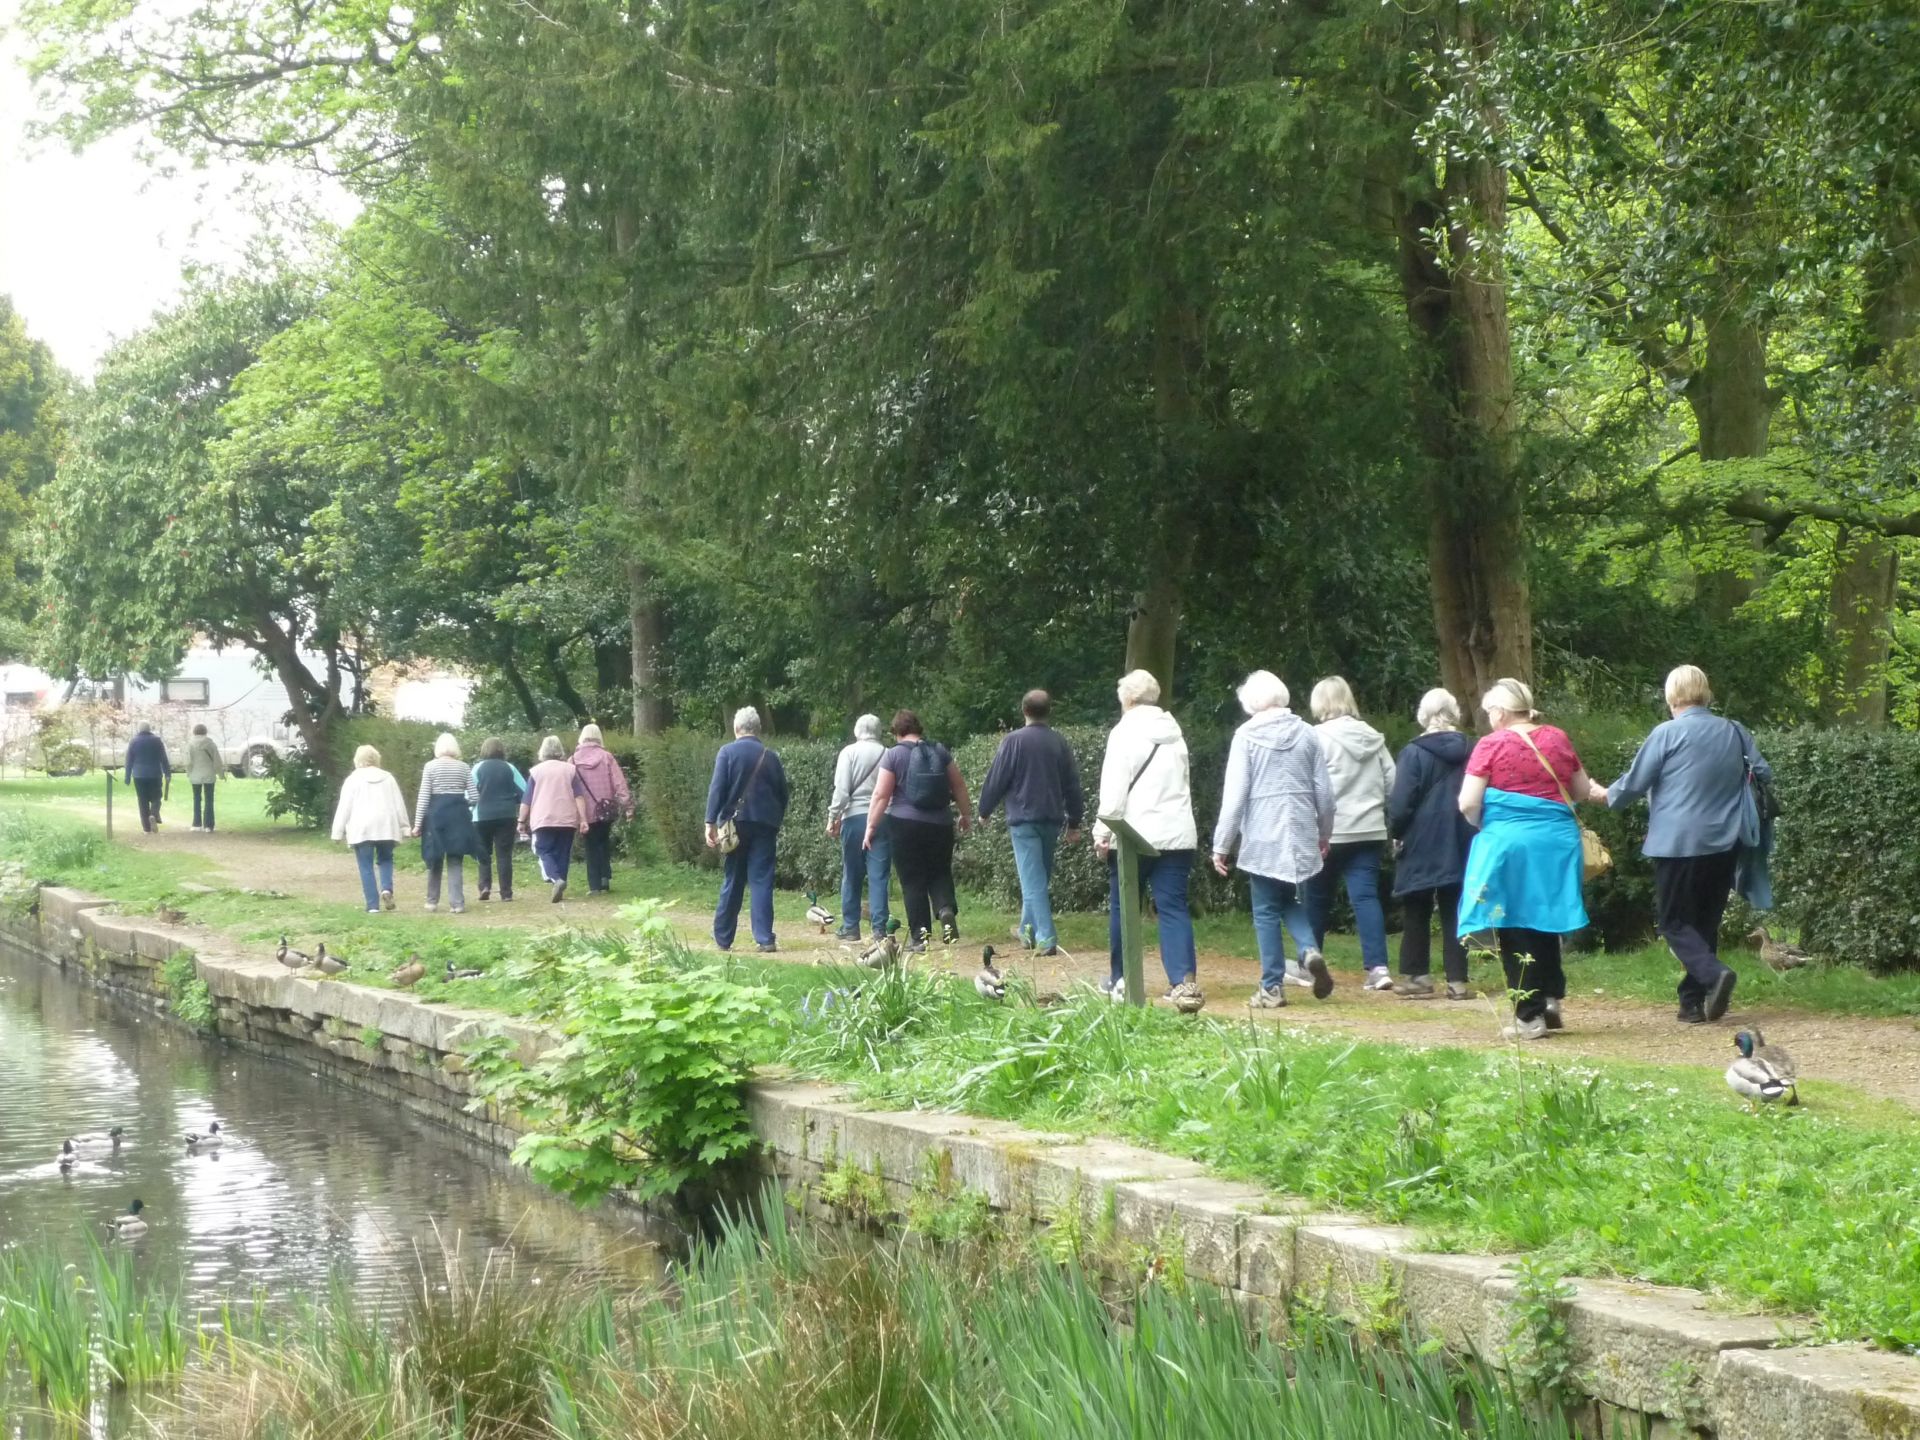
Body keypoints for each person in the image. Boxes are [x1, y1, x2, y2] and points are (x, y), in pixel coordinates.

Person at [1603, 664, 1770, 1025]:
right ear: (1706, 693)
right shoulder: (1735, 732)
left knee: (1673, 922)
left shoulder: (1667, 734)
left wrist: (1604, 795)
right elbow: (1763, 773)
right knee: (1704, 921)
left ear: (1671, 696)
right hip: (1726, 842)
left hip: (1678, 843)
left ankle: (1714, 976)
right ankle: (1692, 1003)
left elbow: (1634, 783)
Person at [1456, 679, 1607, 1040]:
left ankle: (1529, 1016)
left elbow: (1467, 802)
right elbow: (1582, 790)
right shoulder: (1557, 738)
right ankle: (1551, 998)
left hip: (1509, 844)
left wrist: (1487, 826)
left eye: (1491, 711)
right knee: (1546, 918)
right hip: (1556, 842)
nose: (1490, 718)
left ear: (1503, 711)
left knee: (1513, 923)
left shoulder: (1490, 745)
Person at [1211, 671, 1334, 1009]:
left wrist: (1222, 845)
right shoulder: (1308, 734)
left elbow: (1235, 797)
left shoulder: (1245, 737)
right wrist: (1324, 832)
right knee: (1289, 901)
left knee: (1266, 909)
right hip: (1299, 831)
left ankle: (1271, 987)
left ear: (1250, 702)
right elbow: (1324, 792)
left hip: (1264, 836)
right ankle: (1308, 950)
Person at [1092, 670, 1200, 1008]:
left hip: (1134, 835)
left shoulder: (1123, 733)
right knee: (1172, 908)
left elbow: (1114, 789)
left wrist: (1102, 833)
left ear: (1126, 699)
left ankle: (1120, 978)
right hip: (1177, 833)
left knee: (1124, 907)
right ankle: (1183, 981)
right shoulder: (1175, 734)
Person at [1304, 677, 1397, 991]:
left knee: (1316, 898)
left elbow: (1308, 786)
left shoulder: (1315, 737)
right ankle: (1378, 968)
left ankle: (1310, 961)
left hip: (1328, 833)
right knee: (1367, 898)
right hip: (1369, 830)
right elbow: (1392, 782)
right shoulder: (1373, 737)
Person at [977, 689, 1085, 956]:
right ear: (1049, 711)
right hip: (1052, 818)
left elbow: (997, 778)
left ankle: (1046, 939)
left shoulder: (1013, 741)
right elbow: (1072, 785)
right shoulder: (1059, 742)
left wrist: (984, 810)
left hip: (1023, 820)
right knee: (1037, 879)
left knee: (1033, 881)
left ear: (1024, 710)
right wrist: (1075, 821)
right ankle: (1027, 932)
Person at [1388, 689, 1476, 1000]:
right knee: (1455, 906)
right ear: (1455, 714)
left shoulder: (1413, 752)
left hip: (1422, 837)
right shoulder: (1472, 748)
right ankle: (1458, 981)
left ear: (1423, 715)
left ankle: (1418, 977)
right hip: (1462, 836)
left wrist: (1396, 831)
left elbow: (1400, 804)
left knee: (1416, 904)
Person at [865, 709, 972, 951]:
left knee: (912, 880)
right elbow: (959, 786)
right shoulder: (940, 751)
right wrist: (966, 815)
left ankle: (920, 938)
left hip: (905, 824)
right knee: (940, 872)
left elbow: (882, 795)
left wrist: (870, 826)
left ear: (897, 732)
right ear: (918, 728)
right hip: (941, 823)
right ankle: (945, 909)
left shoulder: (893, 756)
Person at [706, 708, 789, 951]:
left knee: (733, 878)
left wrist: (710, 822)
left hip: (735, 825)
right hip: (765, 825)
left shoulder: (727, 752)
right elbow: (783, 793)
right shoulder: (770, 756)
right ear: (758, 729)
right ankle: (764, 938)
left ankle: (723, 936)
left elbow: (717, 789)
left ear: (736, 728)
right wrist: (775, 819)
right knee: (761, 880)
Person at [827, 714, 891, 940]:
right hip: (883, 818)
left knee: (851, 874)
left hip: (853, 818)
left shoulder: (849, 753)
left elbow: (842, 790)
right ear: (878, 731)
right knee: (879, 876)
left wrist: (833, 815)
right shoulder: (888, 753)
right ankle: (879, 929)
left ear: (857, 731)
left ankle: (851, 927)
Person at [330, 745, 411, 914]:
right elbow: (399, 804)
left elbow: (344, 807)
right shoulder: (388, 778)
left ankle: (373, 905)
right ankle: (387, 889)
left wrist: (337, 832)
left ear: (357, 760)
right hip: (386, 826)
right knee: (386, 859)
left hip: (362, 827)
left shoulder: (353, 779)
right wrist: (405, 827)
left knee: (365, 865)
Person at [412, 733, 481, 914]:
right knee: (455, 859)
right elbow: (474, 797)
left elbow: (424, 797)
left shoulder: (430, 767)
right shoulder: (464, 767)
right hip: (458, 816)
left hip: (436, 816)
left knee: (435, 857)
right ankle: (457, 903)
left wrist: (418, 824)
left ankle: (431, 901)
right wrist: (463, 804)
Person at [522, 736, 592, 904]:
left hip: (543, 818)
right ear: (559, 750)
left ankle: (555, 879)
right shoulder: (570, 770)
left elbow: (527, 800)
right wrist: (583, 819)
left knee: (543, 850)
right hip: (567, 818)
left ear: (542, 751)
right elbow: (579, 796)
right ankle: (561, 883)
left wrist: (520, 820)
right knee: (563, 853)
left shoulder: (536, 771)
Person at [571, 724, 633, 895]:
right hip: (606, 809)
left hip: (585, 811)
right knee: (603, 842)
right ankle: (605, 878)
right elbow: (619, 783)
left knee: (590, 846)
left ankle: (594, 885)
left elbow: (568, 787)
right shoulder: (607, 757)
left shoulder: (573, 760)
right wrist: (627, 805)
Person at [470, 737, 526, 902]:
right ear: (502, 750)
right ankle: (506, 893)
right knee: (504, 855)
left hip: (481, 816)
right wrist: (513, 799)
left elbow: (469, 793)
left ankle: (485, 886)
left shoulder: (477, 768)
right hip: (506, 815)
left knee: (483, 853)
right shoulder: (510, 768)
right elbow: (525, 791)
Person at [122, 722, 171, 833]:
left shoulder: (134, 741)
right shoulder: (157, 741)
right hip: (155, 774)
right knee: (156, 797)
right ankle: (153, 814)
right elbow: (163, 758)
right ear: (149, 729)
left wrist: (127, 776)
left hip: (139, 775)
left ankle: (146, 828)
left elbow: (129, 760)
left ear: (139, 729)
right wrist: (167, 773)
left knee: (142, 800)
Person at [184, 723, 224, 833]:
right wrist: (221, 774)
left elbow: (188, 761)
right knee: (209, 799)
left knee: (196, 798)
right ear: (205, 732)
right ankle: (209, 825)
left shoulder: (190, 744)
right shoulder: (210, 744)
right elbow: (217, 760)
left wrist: (189, 772)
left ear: (194, 732)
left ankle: (196, 824)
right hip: (209, 774)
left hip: (195, 775)